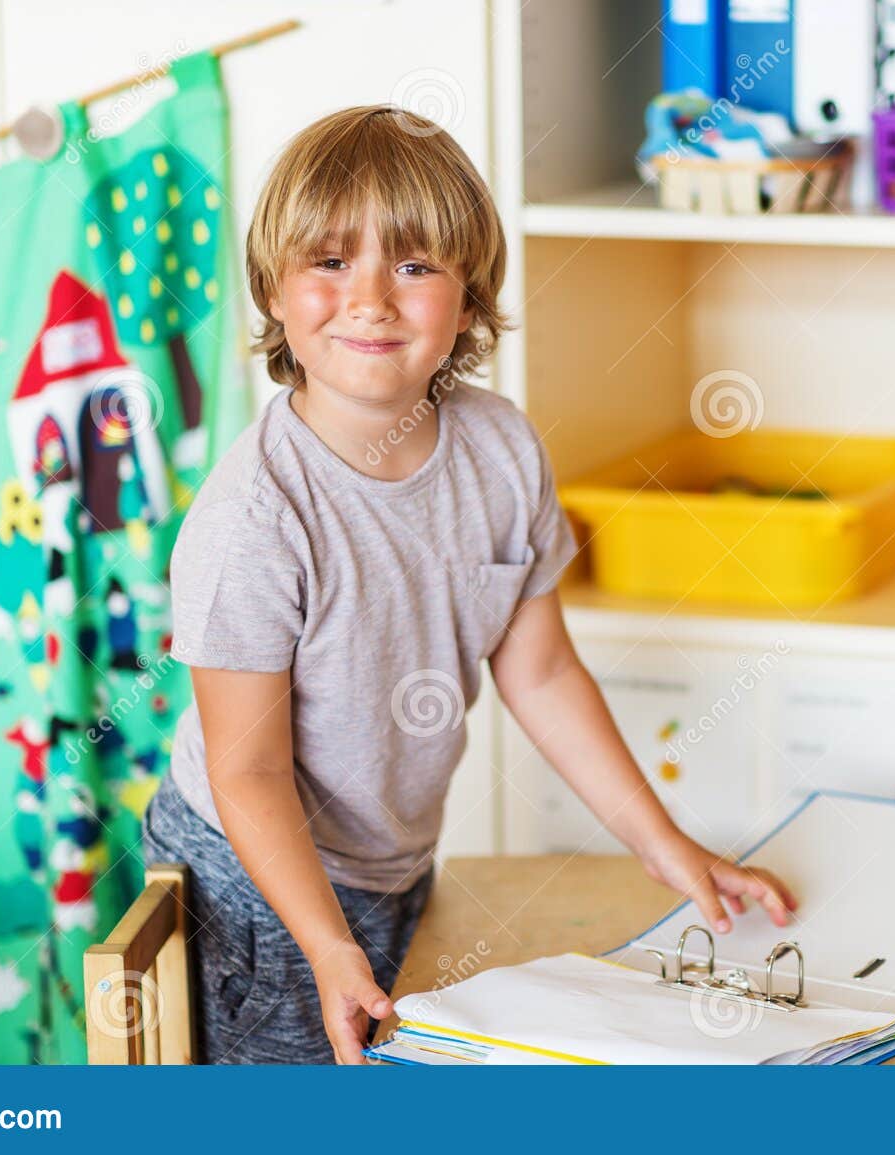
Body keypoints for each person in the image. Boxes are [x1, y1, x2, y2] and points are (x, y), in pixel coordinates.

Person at [143, 105, 797, 1065]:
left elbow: (541, 674)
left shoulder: (503, 450)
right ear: (274, 290)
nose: (370, 299)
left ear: (469, 296)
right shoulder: (253, 517)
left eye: (413, 266)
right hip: (252, 884)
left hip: (396, 867)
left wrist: (664, 843)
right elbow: (247, 770)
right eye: (329, 262)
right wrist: (327, 943)